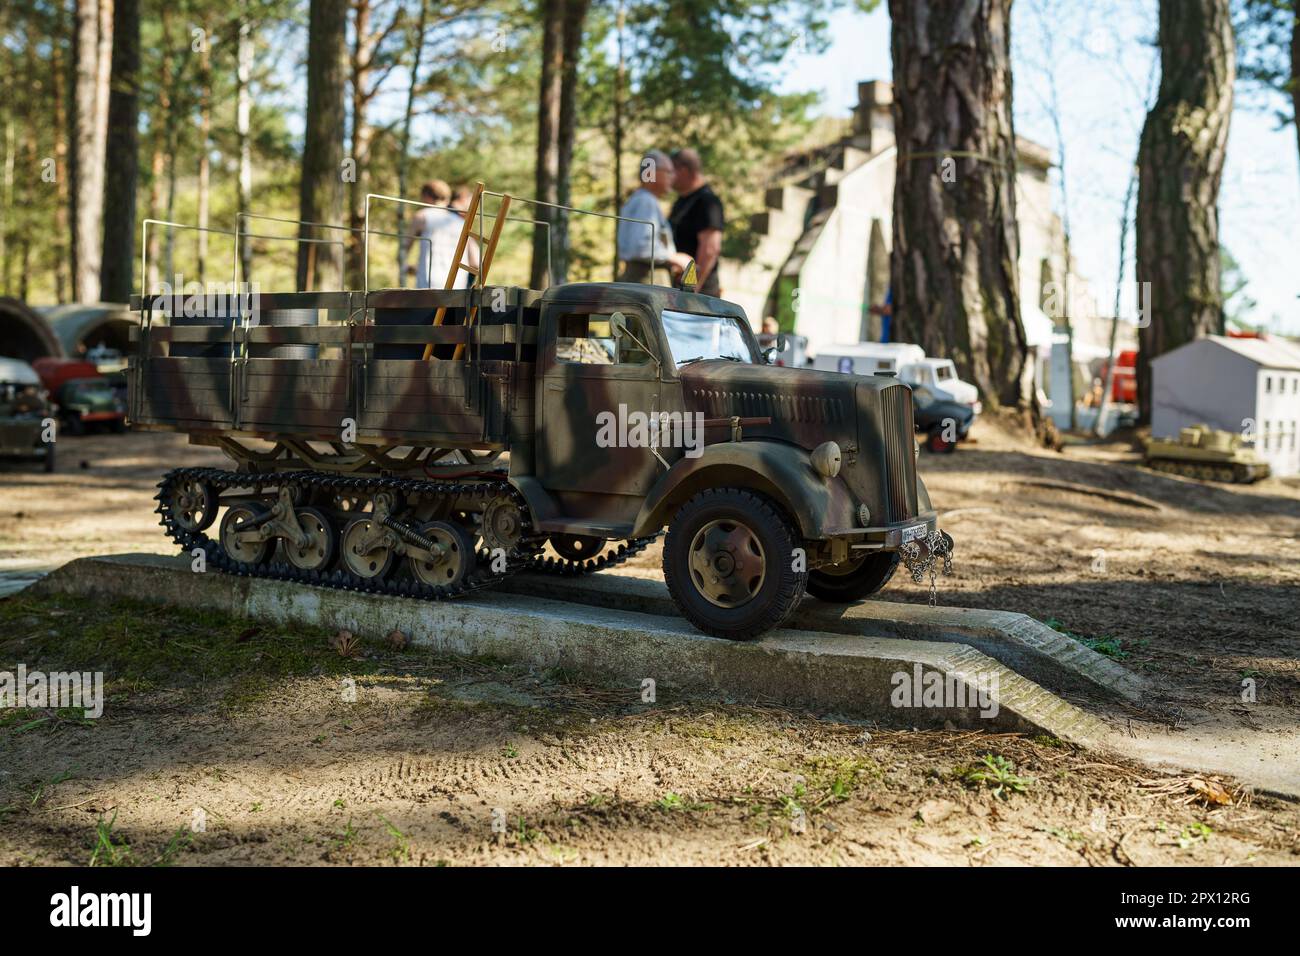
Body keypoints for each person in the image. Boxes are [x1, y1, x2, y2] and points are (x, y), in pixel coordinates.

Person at [617, 150, 690, 285]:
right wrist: (674, 258)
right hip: (647, 279)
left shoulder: (640, 200)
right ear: (651, 173)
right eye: (668, 172)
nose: (673, 177)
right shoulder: (645, 201)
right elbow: (640, 247)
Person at [669, 148, 725, 297]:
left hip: (700, 295)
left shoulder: (707, 202)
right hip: (679, 290)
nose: (668, 176)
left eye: (671, 171)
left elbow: (710, 250)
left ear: (684, 170)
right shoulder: (680, 202)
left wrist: (692, 290)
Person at [404, 180, 477, 290]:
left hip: (428, 285)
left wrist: (407, 268)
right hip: (457, 285)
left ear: (426, 196)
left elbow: (404, 248)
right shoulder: (461, 223)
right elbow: (476, 262)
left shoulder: (422, 216)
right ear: (447, 198)